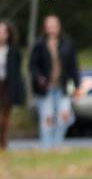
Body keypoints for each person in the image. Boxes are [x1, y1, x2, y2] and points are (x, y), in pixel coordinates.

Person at [28, 14, 83, 149]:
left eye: (54, 25)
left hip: (63, 87)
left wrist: (76, 86)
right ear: (45, 27)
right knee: (47, 118)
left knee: (64, 116)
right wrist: (39, 78)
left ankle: (57, 144)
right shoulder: (39, 44)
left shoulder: (67, 43)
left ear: (59, 27)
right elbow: (32, 65)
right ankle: (47, 147)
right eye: (49, 25)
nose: (52, 28)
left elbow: (73, 67)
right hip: (45, 88)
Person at [0, 19, 26, 150]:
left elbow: (17, 73)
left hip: (6, 87)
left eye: (4, 32)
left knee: (5, 117)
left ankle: (3, 143)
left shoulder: (13, 51)